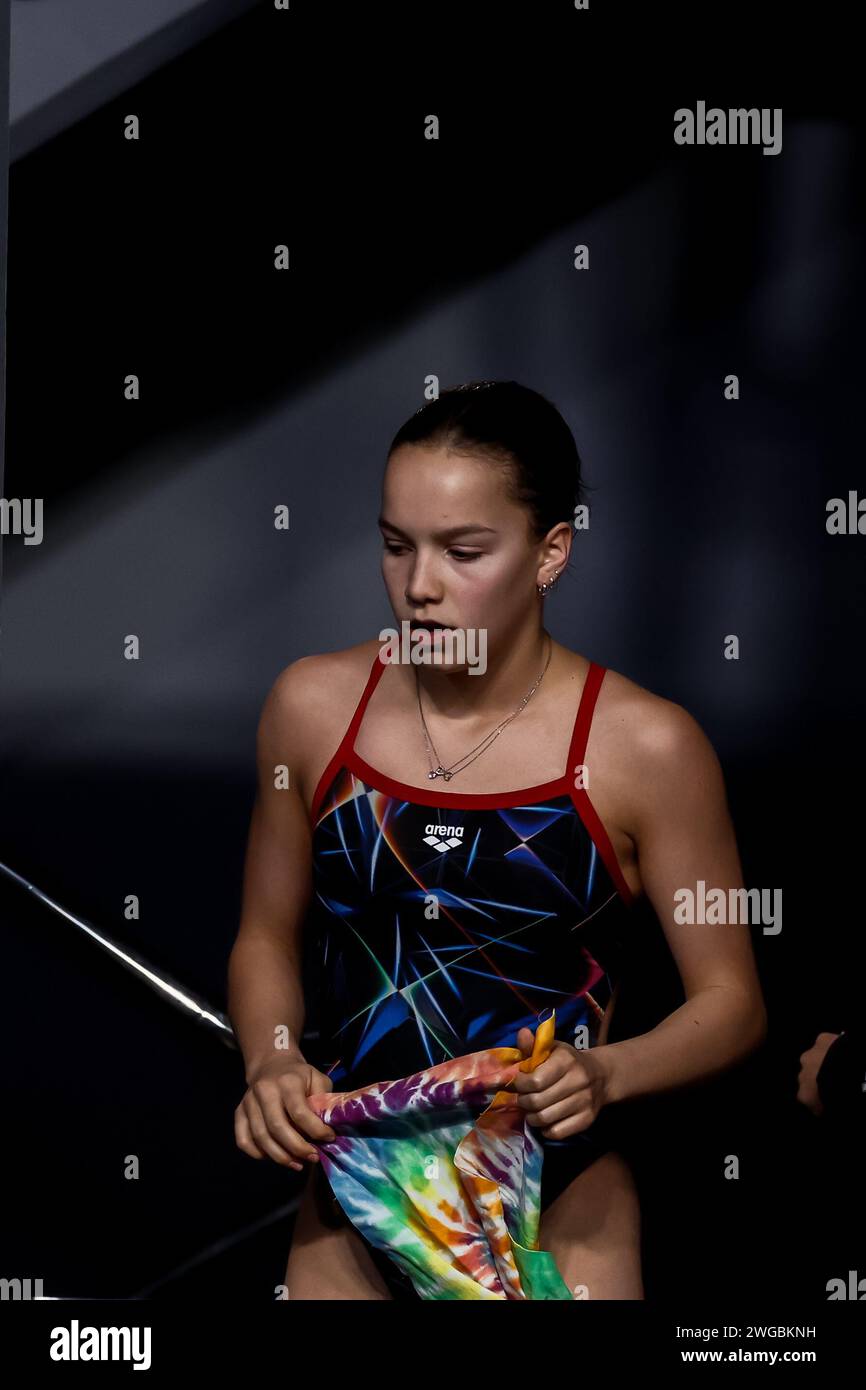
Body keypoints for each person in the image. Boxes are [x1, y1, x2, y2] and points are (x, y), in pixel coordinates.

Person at [227, 380, 768, 1300]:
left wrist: (607, 1071)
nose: (419, 585)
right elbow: (266, 936)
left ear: (551, 550)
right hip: (356, 1199)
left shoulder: (644, 747)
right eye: (396, 546)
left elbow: (732, 1003)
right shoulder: (312, 709)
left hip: (557, 1204)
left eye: (462, 550)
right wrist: (274, 1056)